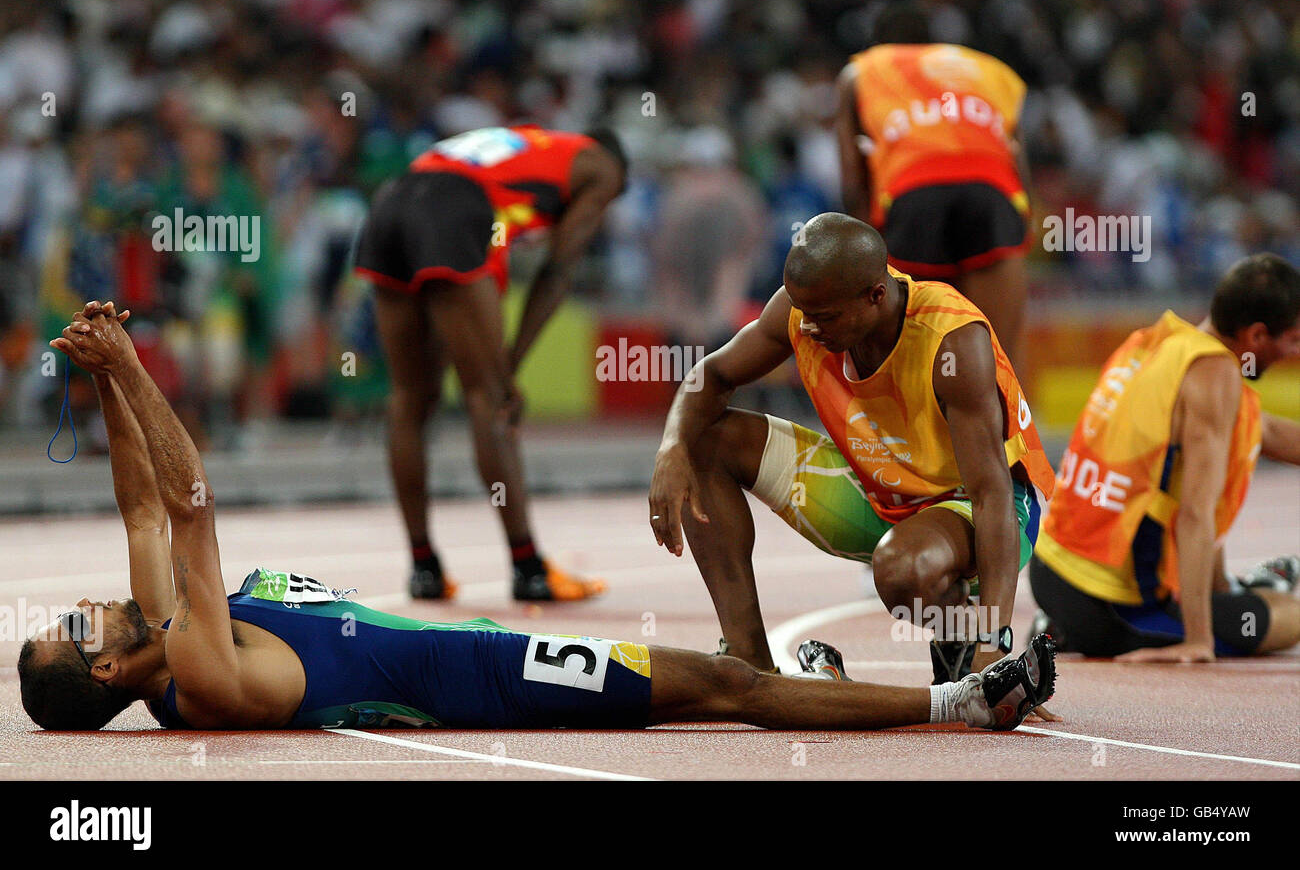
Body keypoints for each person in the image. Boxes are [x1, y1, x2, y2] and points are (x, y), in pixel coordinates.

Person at [17, 302, 1057, 733]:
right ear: (105, 672)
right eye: (72, 625)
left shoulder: (155, 624)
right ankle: (956, 702)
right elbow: (194, 503)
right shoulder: (193, 661)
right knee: (724, 686)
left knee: (726, 685)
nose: (80, 604)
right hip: (479, 680)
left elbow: (144, 500)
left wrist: (101, 370)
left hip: (467, 654)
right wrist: (138, 368)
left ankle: (847, 684)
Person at [648, 213, 1058, 697]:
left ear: (876, 295)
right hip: (878, 491)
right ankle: (747, 657)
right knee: (701, 439)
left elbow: (991, 496)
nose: (810, 328)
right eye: (803, 312)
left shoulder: (952, 342)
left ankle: (962, 638)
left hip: (974, 507)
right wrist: (672, 446)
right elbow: (710, 376)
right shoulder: (804, 312)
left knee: (901, 571)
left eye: (825, 317)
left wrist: (995, 644)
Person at [353, 125, 627, 601]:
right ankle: (528, 569)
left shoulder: (531, 142)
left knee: (410, 397)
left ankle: (424, 569)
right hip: (450, 208)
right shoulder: (602, 167)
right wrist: (510, 365)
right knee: (488, 398)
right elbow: (559, 268)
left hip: (391, 203)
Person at [1028, 254, 1300, 661]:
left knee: (1217, 578)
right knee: (1289, 617)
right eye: (1292, 340)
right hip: (1109, 602)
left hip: (1050, 570)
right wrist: (1198, 640)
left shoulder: (1156, 342)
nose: (1293, 351)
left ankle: (1230, 589)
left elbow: (1269, 433)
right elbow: (1195, 514)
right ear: (1257, 336)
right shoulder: (1215, 374)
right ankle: (1086, 630)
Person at [836, 4, 1033, 369]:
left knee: (912, 354)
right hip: (993, 192)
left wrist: (865, 251)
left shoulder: (862, 69)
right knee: (997, 355)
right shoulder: (991, 69)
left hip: (914, 193)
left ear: (880, 45)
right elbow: (1018, 159)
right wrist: (1022, 226)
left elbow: (852, 175)